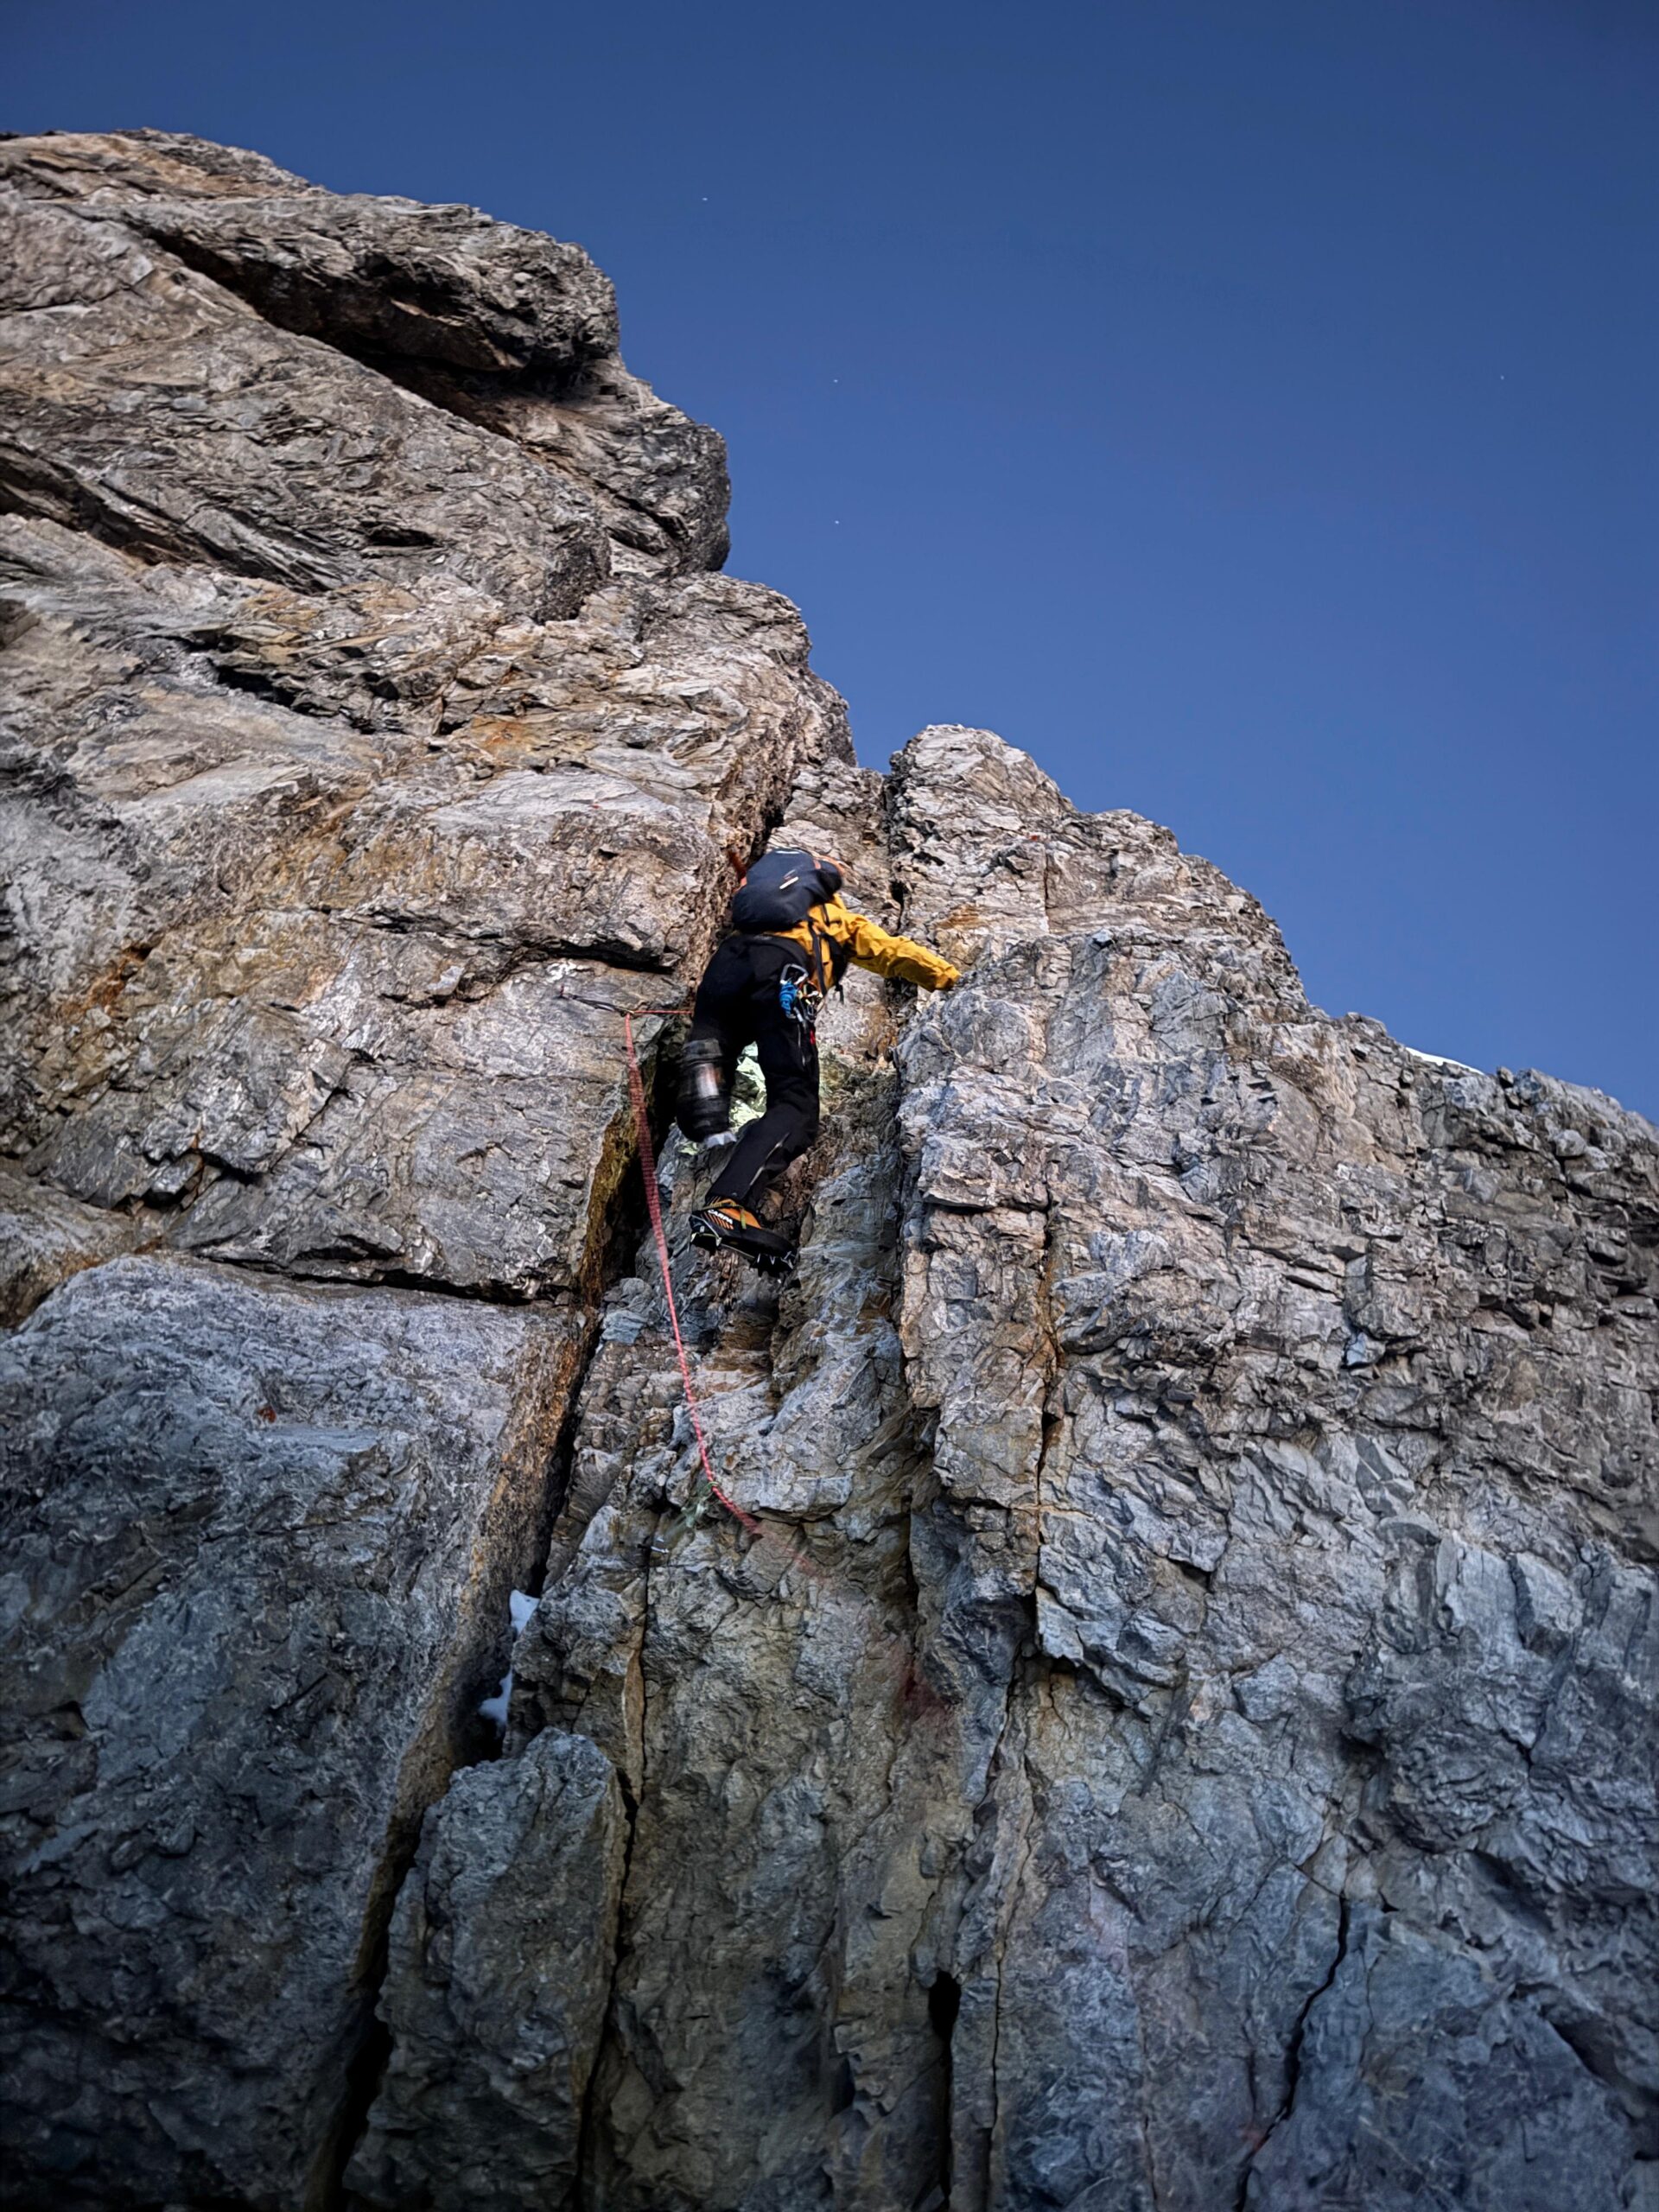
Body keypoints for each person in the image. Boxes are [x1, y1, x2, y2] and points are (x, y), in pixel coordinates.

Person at [677, 849, 960, 1270]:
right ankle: (728, 1206)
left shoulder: (758, 903)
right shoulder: (836, 918)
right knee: (795, 1106)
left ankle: (704, 1086)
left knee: (715, 1040)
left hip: (727, 966)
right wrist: (951, 978)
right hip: (782, 975)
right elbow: (893, 954)